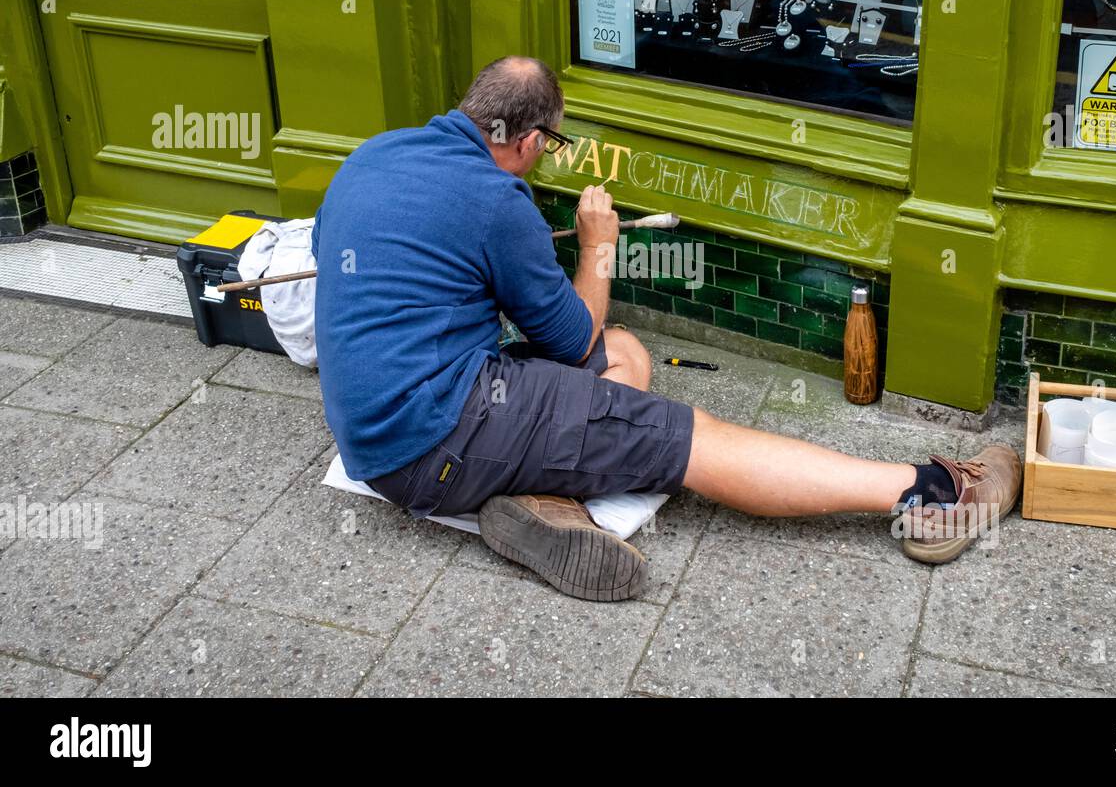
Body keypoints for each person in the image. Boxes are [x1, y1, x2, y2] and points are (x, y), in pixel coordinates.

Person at [312, 56, 1020, 602]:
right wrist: (598, 245)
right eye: (549, 145)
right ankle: (931, 492)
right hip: (432, 441)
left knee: (628, 352)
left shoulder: (374, 154)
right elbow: (573, 341)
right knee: (688, 434)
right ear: (529, 139)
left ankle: (541, 498)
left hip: (374, 433)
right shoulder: (496, 198)